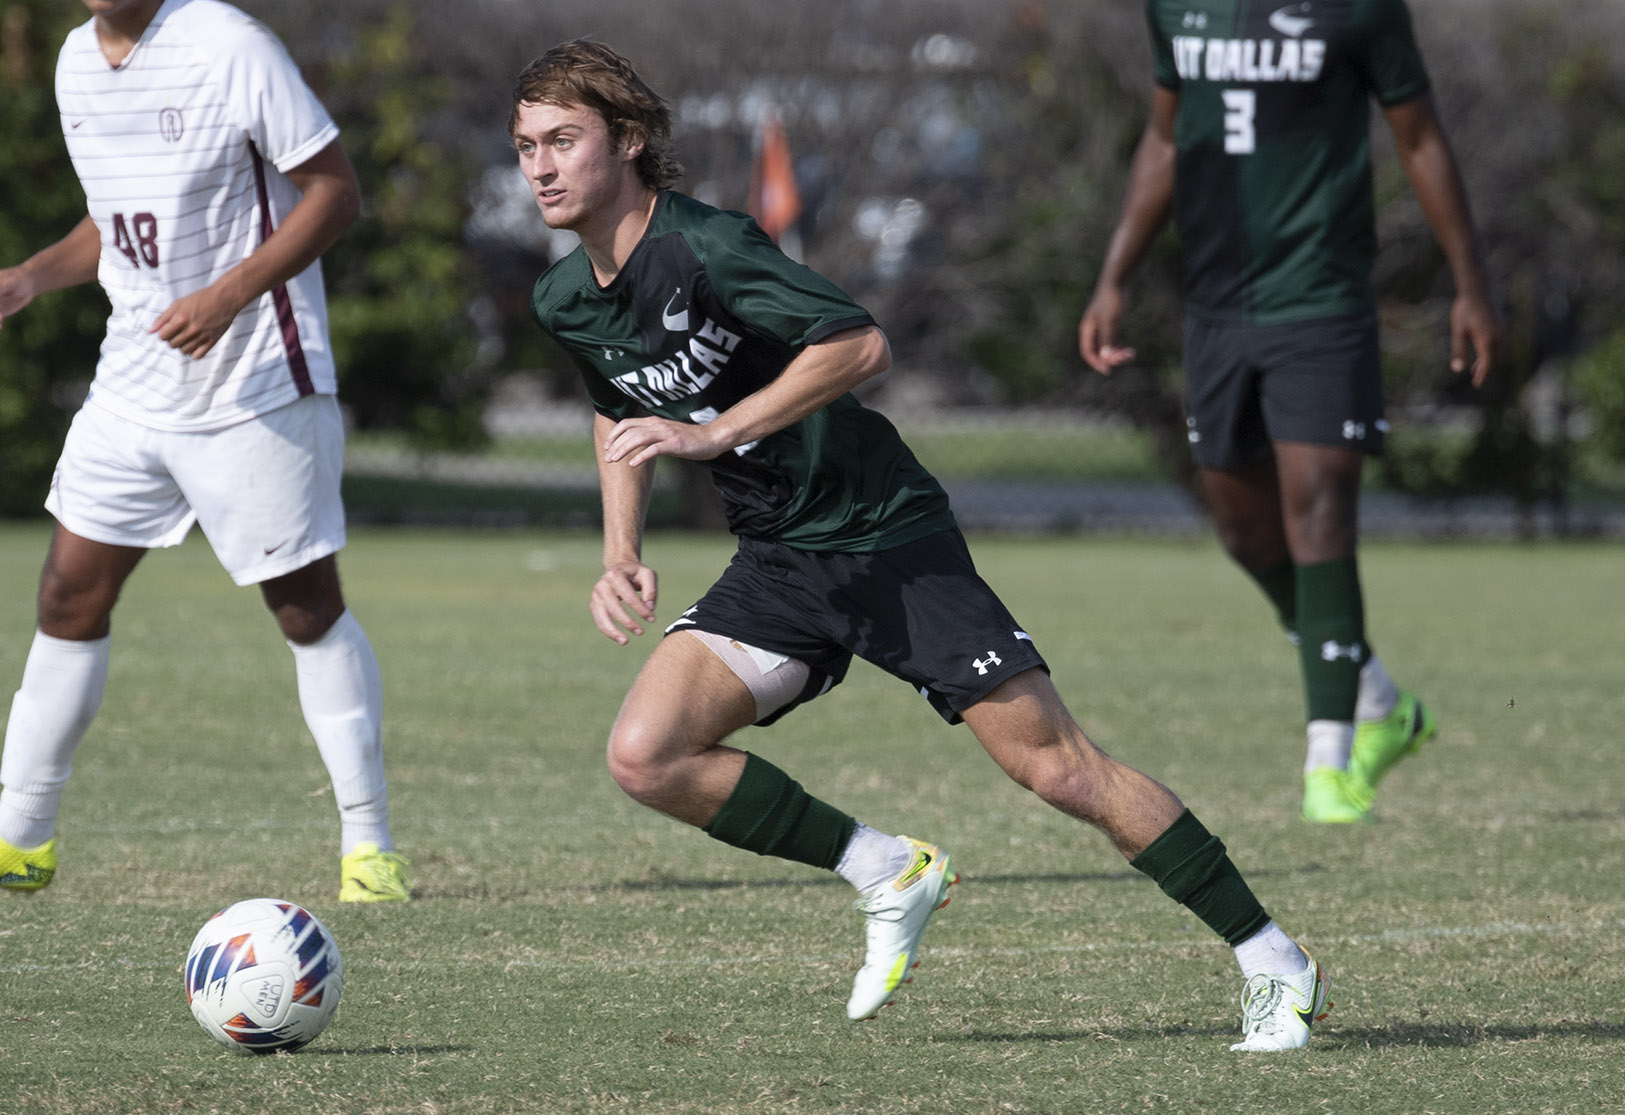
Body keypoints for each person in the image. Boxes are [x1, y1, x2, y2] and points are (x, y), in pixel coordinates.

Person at [512, 38, 1329, 1050]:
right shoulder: (563, 300)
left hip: (884, 538)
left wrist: (716, 432)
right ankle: (885, 868)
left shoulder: (706, 247)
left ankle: (1270, 958)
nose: (538, 167)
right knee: (647, 754)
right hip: (777, 556)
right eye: (524, 147)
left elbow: (857, 345)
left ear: (627, 142)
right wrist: (619, 548)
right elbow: (618, 416)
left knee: (1058, 771)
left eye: (562, 140)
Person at [0, 0, 410, 904]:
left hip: (256, 382)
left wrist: (230, 293)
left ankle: (370, 847)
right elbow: (115, 224)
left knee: (306, 609)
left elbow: (336, 191)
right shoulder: (76, 62)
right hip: (133, 380)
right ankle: (20, 833)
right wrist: (31, 277)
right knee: (68, 592)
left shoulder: (228, 45)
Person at [1079, 0, 1502, 823]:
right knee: (1244, 530)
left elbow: (1418, 137)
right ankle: (1382, 699)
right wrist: (1115, 275)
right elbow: (1165, 137)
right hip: (1215, 309)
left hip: (1323, 303)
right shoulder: (1176, 8)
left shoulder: (1359, 8)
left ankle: (1329, 761)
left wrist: (1472, 282)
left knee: (1318, 513)